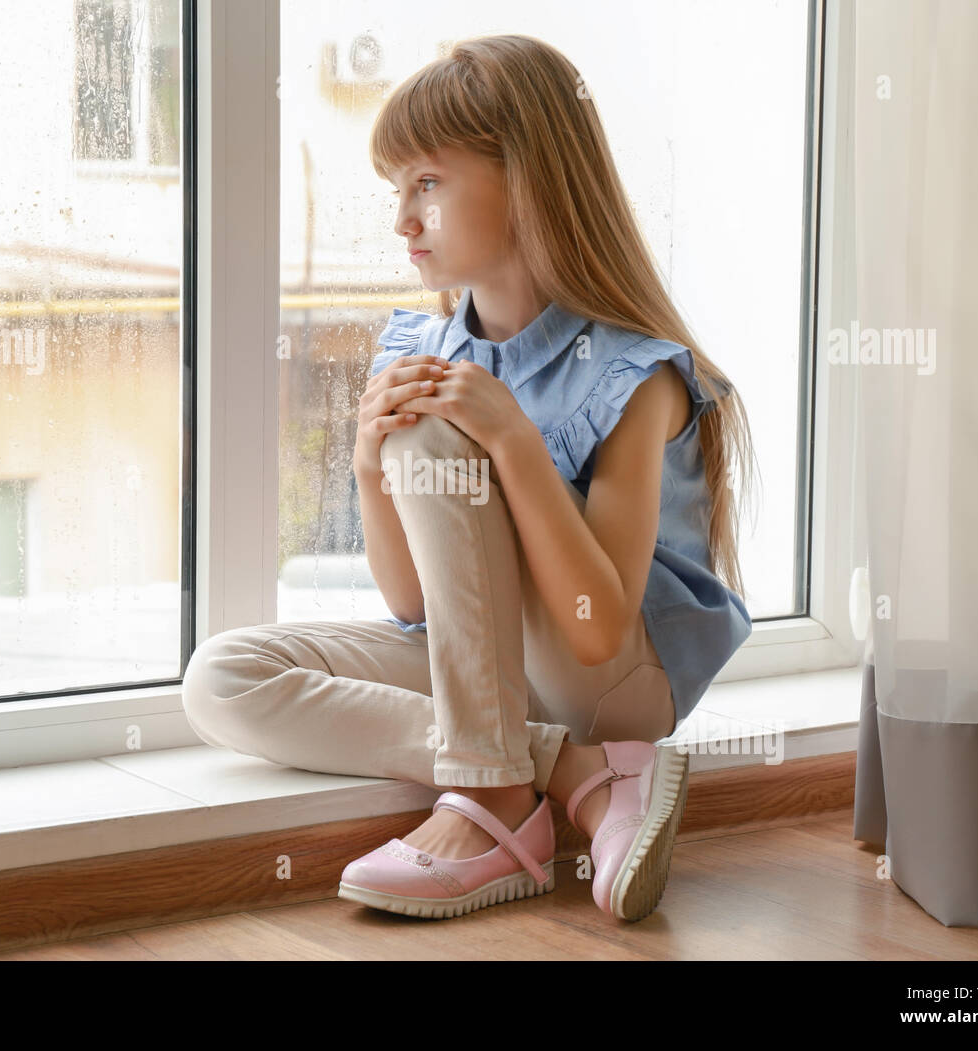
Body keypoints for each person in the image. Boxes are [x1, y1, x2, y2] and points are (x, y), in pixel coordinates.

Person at [181, 33, 757, 923]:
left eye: (428, 184)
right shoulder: (419, 346)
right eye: (396, 190)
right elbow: (416, 604)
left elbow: (597, 627)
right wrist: (373, 467)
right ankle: (570, 774)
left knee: (436, 435)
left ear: (526, 180)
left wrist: (511, 440)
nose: (403, 220)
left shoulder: (634, 375)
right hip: (491, 674)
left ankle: (493, 803)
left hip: (608, 682)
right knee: (225, 676)